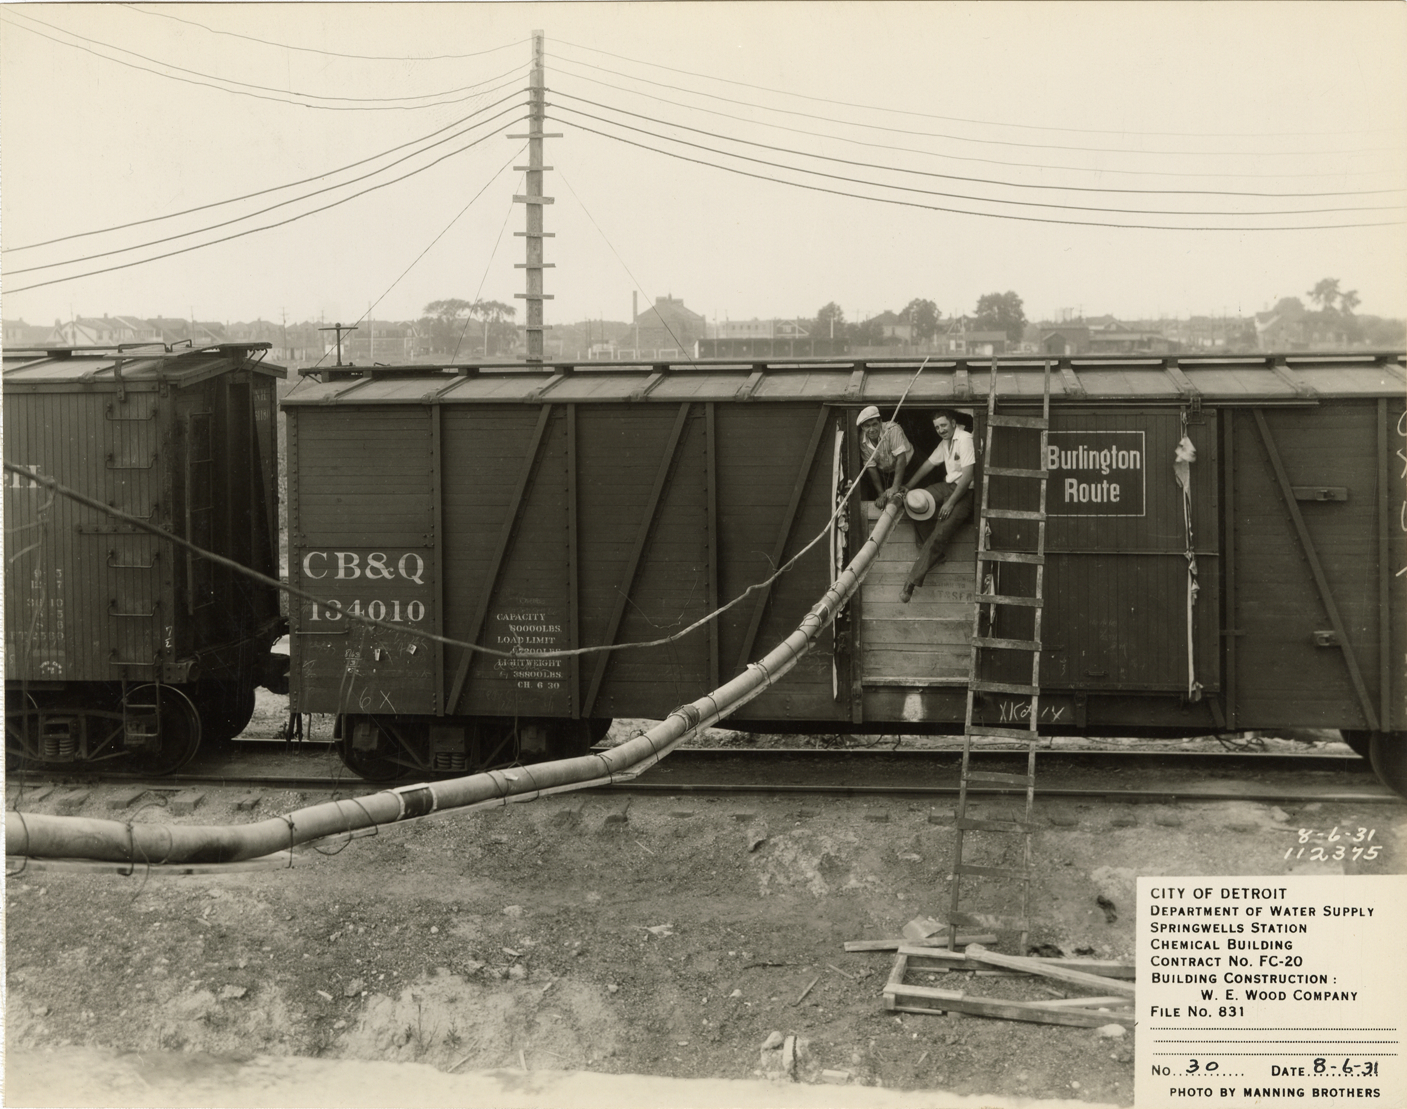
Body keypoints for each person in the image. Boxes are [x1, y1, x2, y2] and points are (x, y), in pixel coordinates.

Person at [898, 410, 976, 602]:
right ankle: (934, 555)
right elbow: (928, 465)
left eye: (944, 425)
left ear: (953, 423)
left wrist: (950, 503)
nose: (941, 430)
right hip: (948, 486)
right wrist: (908, 486)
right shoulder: (945, 443)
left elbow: (967, 477)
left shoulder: (965, 439)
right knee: (915, 500)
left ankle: (911, 582)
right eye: (937, 427)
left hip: (965, 493)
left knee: (940, 533)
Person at [855, 405, 912, 508]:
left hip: (909, 467)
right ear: (862, 427)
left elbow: (901, 458)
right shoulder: (862, 440)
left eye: (874, 424)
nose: (871, 429)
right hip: (888, 473)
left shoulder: (892, 430)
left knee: (911, 500)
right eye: (867, 426)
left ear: (880, 422)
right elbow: (871, 467)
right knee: (889, 501)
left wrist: (895, 487)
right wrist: (881, 494)